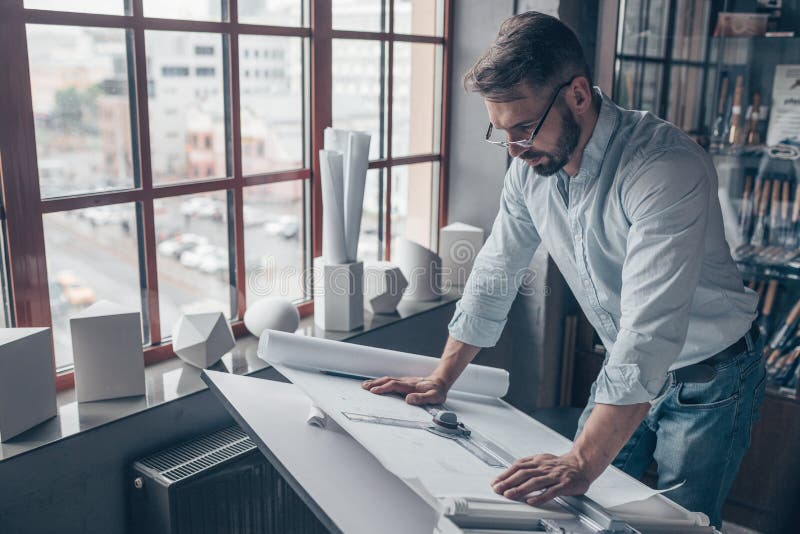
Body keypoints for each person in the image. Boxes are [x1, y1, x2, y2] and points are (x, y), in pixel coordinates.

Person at [362, 11, 765, 528]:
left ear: (578, 94)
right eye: (501, 132)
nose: (514, 148)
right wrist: (442, 379)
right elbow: (494, 274)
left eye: (526, 128)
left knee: (674, 523)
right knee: (582, 511)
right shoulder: (530, 168)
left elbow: (651, 329)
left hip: (710, 375)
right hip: (628, 362)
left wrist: (582, 459)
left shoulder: (663, 167)